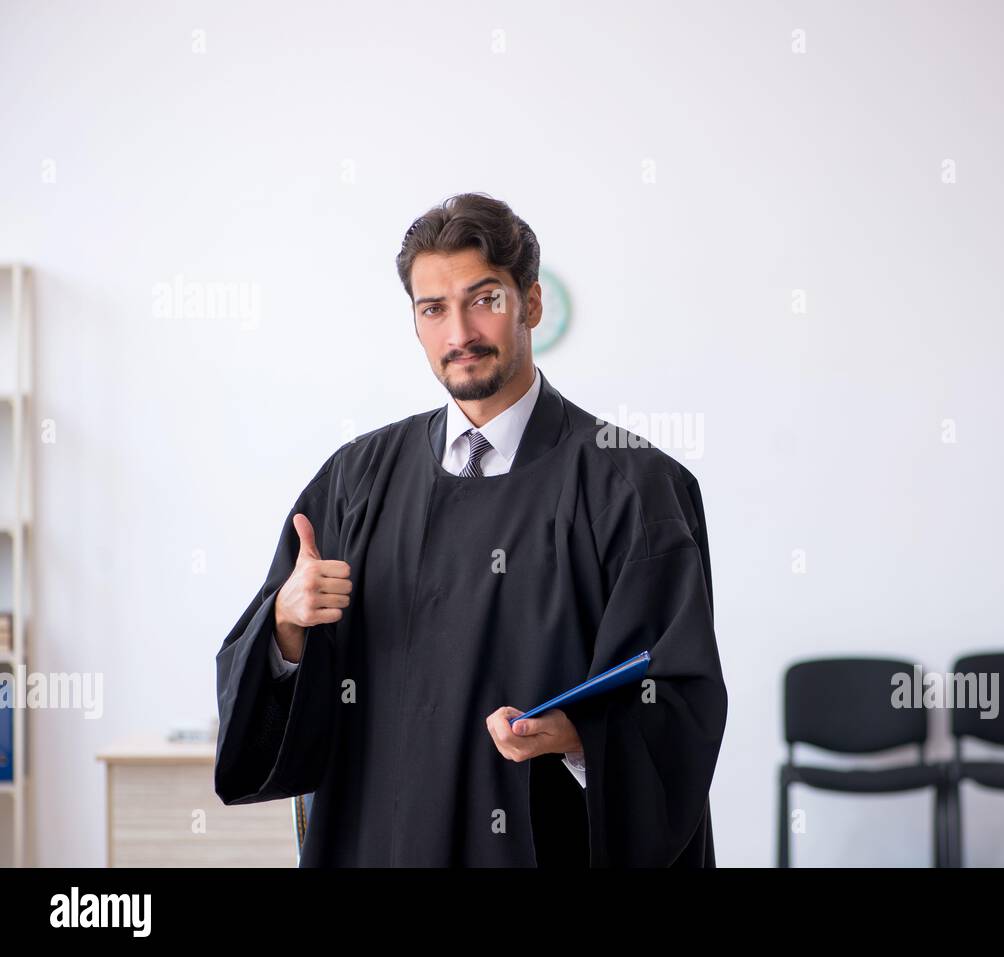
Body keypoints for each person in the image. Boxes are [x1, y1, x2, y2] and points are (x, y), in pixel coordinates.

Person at [214, 192, 727, 866]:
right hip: (380, 839)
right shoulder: (354, 480)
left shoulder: (633, 486)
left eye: (484, 298)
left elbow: (678, 700)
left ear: (531, 305)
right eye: (433, 309)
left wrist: (580, 736)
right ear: (416, 323)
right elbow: (263, 702)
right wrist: (285, 625)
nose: (459, 333)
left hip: (542, 844)